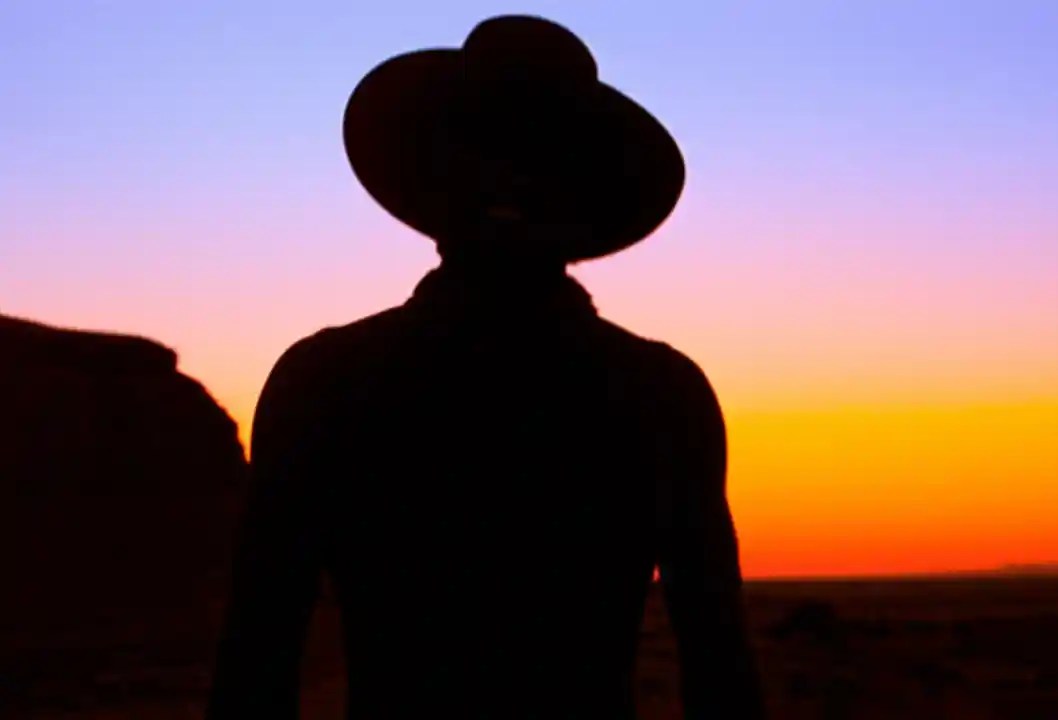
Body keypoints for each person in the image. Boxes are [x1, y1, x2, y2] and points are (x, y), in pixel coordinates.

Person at [207, 14, 763, 719]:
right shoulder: (662, 392)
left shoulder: (324, 380)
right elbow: (718, 664)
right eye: (496, 154)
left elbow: (256, 658)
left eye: (526, 157)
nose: (507, 183)